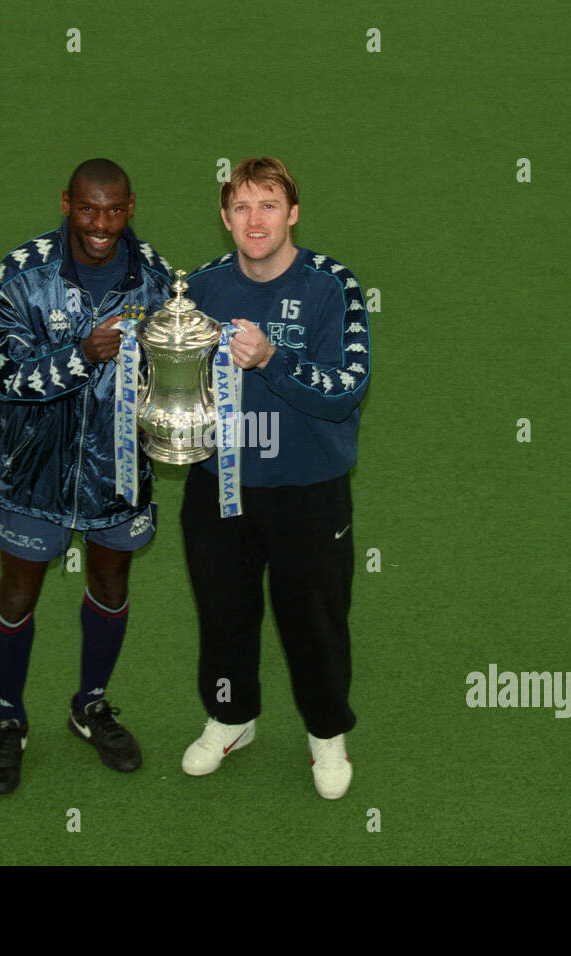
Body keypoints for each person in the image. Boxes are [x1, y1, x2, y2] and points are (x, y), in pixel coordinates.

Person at [0, 158, 173, 794]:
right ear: (65, 203)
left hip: (117, 473)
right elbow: (8, 378)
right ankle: (8, 719)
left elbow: (168, 374)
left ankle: (90, 705)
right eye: (89, 209)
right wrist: (82, 354)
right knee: (19, 590)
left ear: (131, 206)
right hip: (34, 469)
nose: (101, 224)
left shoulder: (159, 281)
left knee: (111, 585)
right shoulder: (19, 277)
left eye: (114, 210)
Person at [179, 157, 370, 799]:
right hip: (219, 485)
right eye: (241, 207)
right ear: (225, 217)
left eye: (268, 206)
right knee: (223, 612)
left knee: (313, 620)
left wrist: (272, 359)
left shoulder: (332, 286)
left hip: (307, 491)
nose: (253, 220)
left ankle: (325, 734)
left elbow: (344, 390)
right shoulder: (199, 289)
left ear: (292, 214)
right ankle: (232, 718)